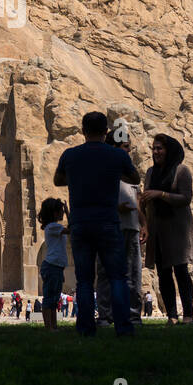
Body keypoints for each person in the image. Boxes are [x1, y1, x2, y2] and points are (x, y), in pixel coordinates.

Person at [53, 111, 141, 337]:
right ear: (105, 132)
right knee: (117, 277)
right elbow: (135, 178)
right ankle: (123, 327)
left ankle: (85, 328)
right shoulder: (116, 156)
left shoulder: (70, 155)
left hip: (80, 223)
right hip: (108, 222)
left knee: (84, 279)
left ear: (83, 131)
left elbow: (58, 180)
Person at [141, 132, 193, 325]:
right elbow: (146, 199)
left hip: (178, 228)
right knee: (163, 273)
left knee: (181, 271)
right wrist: (144, 225)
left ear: (169, 150)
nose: (155, 152)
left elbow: (186, 198)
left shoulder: (182, 171)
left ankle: (188, 314)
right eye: (154, 148)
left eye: (159, 148)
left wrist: (161, 194)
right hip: (158, 228)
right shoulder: (150, 172)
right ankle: (171, 315)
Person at [97, 132, 145, 327]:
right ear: (115, 148)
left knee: (133, 274)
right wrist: (117, 209)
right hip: (109, 226)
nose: (129, 150)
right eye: (125, 146)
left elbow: (138, 200)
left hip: (132, 228)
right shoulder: (102, 171)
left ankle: (133, 316)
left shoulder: (130, 172)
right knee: (105, 273)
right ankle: (105, 316)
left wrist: (145, 224)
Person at [38, 197, 69, 332]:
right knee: (49, 298)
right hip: (52, 266)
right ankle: (48, 326)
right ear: (54, 213)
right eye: (61, 211)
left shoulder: (54, 227)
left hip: (55, 266)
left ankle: (53, 326)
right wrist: (69, 213)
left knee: (54, 298)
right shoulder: (53, 227)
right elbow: (72, 229)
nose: (62, 213)